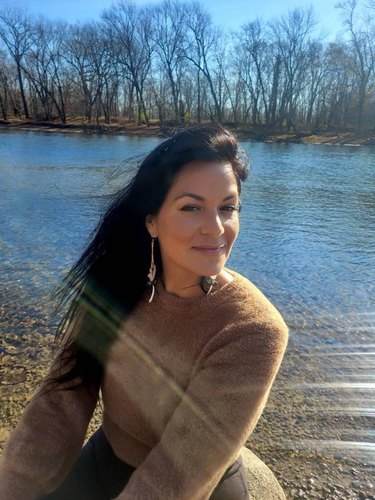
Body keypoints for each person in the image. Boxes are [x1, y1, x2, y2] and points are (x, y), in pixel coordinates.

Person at [0, 124, 288, 499]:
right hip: (108, 458)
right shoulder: (115, 285)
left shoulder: (253, 329)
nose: (215, 228)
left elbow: (180, 470)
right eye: (192, 207)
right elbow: (62, 399)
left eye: (228, 208)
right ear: (152, 220)